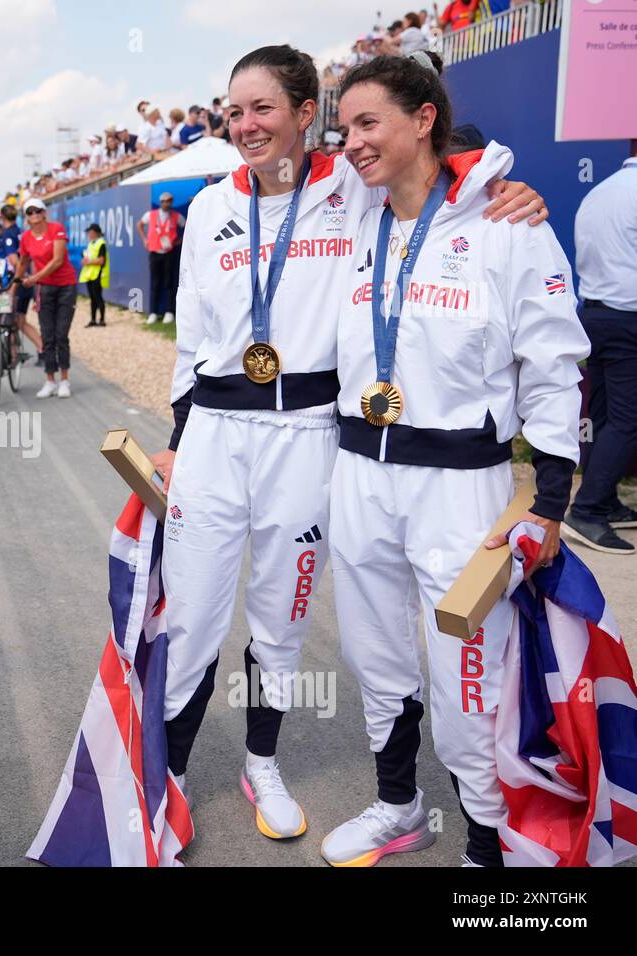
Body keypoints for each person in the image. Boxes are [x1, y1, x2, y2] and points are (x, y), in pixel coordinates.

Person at [157, 44, 546, 849]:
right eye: (234, 110)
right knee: (191, 614)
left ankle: (261, 761)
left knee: (282, 617)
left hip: (309, 434)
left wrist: (505, 187)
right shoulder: (205, 211)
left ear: (307, 116)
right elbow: (190, 338)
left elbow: (435, 168)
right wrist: (176, 438)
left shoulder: (351, 187)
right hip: (217, 434)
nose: (245, 124)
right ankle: (167, 777)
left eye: (263, 108)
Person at [324, 51, 586, 868]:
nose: (353, 143)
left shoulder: (510, 222)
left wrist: (547, 499)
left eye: (369, 124)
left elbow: (552, 367)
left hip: (460, 486)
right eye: (344, 128)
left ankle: (487, 844)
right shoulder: (351, 216)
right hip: (359, 472)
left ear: (425, 118)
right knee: (376, 657)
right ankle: (399, 807)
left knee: (468, 678)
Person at [563, 155, 637, 554]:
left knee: (607, 414)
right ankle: (588, 510)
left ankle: (603, 499)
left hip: (595, 314)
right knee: (627, 420)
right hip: (627, 318)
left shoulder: (600, 192)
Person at [18, 197, 78, 398]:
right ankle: (50, 380)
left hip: (66, 286)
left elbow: (58, 260)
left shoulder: (56, 229)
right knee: (48, 336)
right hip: (45, 289)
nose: (34, 214)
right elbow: (23, 262)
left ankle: (65, 380)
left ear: (44, 213)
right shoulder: (26, 238)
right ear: (26, 218)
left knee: (61, 335)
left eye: (37, 210)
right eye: (30, 212)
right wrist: (13, 287)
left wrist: (34, 278)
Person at [0, 203, 42, 361]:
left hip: (14, 281)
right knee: (18, 320)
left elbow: (15, 261)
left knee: (13, 320)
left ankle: (16, 353)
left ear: (2, 217)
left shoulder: (8, 235)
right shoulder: (21, 233)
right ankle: (16, 353)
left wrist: (17, 281)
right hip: (25, 280)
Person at [137, 191, 185, 324]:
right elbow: (139, 224)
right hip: (154, 251)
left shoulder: (176, 216)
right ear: (160, 202)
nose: (166, 203)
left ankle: (169, 312)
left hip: (169, 252)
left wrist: (180, 241)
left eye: (169, 201)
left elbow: (187, 227)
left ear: (171, 202)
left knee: (169, 283)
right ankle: (153, 312)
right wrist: (144, 240)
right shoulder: (151, 215)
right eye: (164, 201)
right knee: (155, 283)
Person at [78, 222, 108, 327]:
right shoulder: (91, 244)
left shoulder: (101, 243)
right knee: (92, 298)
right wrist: (85, 260)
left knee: (98, 297)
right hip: (90, 274)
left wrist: (88, 262)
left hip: (98, 274)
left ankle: (102, 320)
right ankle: (93, 319)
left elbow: (101, 260)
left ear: (96, 233)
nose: (89, 234)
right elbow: (89, 257)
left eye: (90, 232)